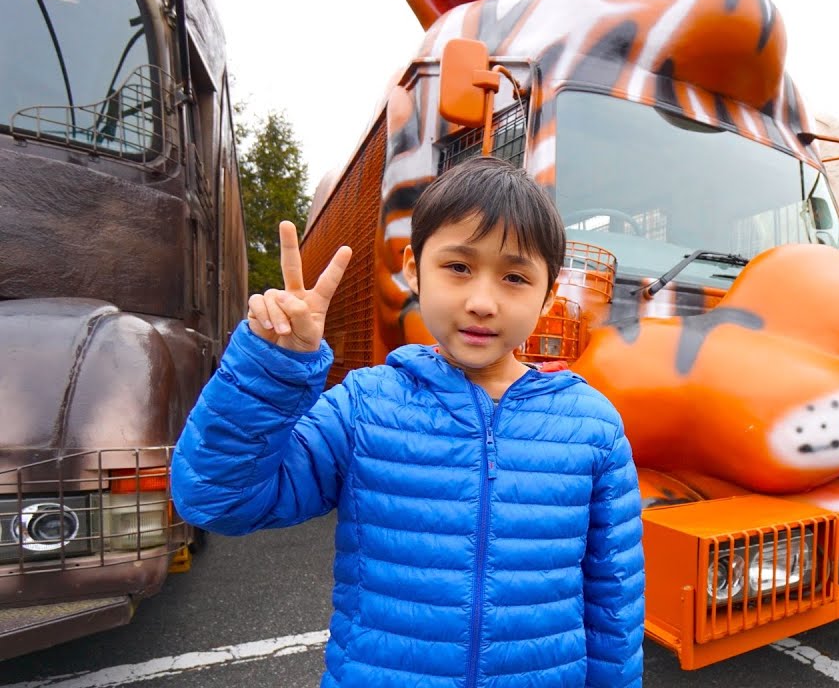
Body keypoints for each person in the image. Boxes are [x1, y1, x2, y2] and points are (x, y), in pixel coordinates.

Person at [172, 156, 645, 687]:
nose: (482, 302)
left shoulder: (592, 427)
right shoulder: (366, 407)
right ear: (414, 270)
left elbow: (614, 605)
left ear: (549, 293)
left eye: (515, 277)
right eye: (459, 267)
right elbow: (217, 500)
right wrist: (272, 368)